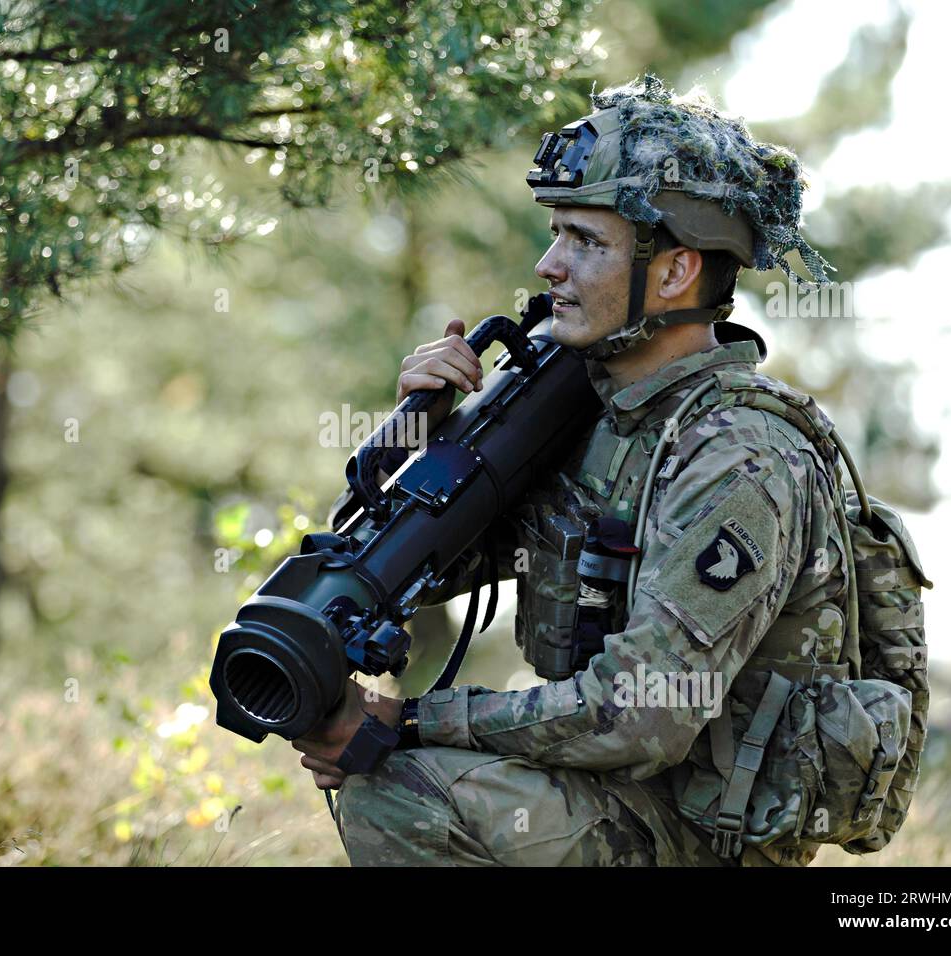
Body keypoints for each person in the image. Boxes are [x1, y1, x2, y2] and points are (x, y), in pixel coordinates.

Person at [295, 75, 845, 866]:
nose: (549, 264)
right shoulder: (590, 419)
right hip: (605, 794)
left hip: (700, 834)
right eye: (556, 234)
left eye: (585, 242)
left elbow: (641, 714)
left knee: (400, 786)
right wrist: (415, 439)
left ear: (677, 271)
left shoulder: (739, 455)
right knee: (390, 771)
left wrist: (407, 722)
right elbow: (399, 576)